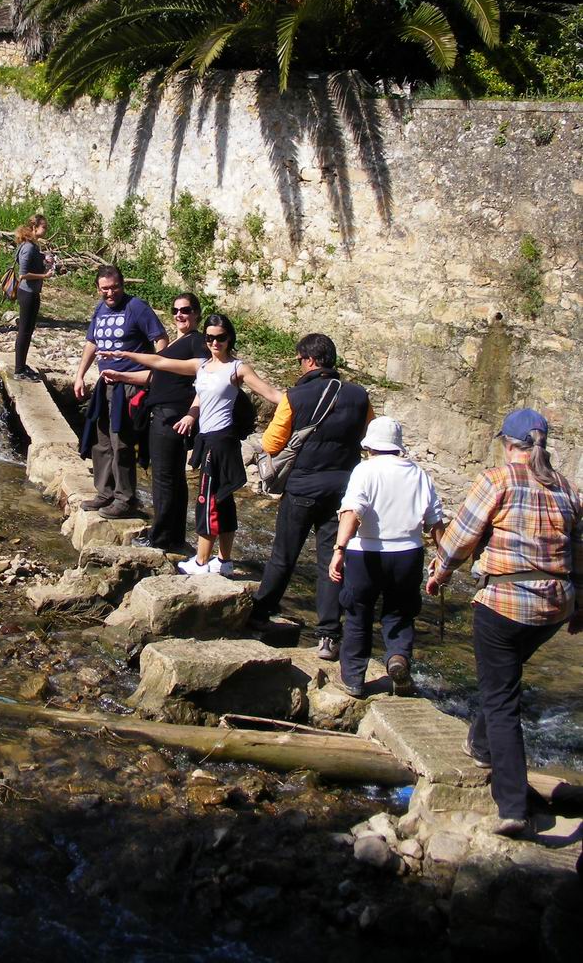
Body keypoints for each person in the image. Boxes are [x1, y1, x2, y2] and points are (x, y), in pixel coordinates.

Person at [426, 408, 583, 837]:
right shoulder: (568, 489)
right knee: (502, 680)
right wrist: (580, 606)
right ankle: (480, 744)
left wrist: (440, 572)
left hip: (505, 602)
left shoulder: (496, 480)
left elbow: (460, 539)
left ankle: (512, 806)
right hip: (554, 607)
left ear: (508, 444)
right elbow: (579, 553)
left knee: (501, 700)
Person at [101, 313, 281, 573]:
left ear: (230, 338)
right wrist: (124, 356)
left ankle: (201, 562)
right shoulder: (202, 366)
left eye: (220, 338)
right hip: (207, 438)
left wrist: (305, 403)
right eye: (209, 338)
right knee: (223, 501)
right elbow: (160, 362)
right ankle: (224, 561)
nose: (215, 343)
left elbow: (272, 394)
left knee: (208, 501)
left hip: (220, 441)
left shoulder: (238, 368)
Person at [250, 332, 373, 660]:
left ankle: (260, 614)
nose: (299, 366)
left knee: (283, 556)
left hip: (302, 488)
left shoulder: (295, 396)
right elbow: (368, 437)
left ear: (309, 360)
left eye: (300, 360)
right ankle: (328, 636)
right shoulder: (360, 396)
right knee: (331, 561)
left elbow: (271, 444)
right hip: (343, 491)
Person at [328, 417, 444, 697]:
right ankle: (398, 658)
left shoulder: (365, 470)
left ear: (369, 446)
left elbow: (352, 512)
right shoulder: (419, 474)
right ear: (397, 446)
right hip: (408, 554)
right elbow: (435, 521)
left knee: (358, 613)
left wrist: (339, 549)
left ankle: (353, 679)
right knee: (400, 613)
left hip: (365, 554)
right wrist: (443, 559)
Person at [102, 293, 207, 553]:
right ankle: (175, 537)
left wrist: (192, 414)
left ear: (197, 313)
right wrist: (122, 376)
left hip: (172, 414)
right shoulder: (179, 343)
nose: (180, 315)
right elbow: (156, 375)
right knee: (173, 477)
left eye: (186, 310)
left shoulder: (197, 341)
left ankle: (160, 539)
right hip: (164, 412)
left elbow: (204, 376)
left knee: (164, 478)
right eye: (175, 310)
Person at [74, 266, 168, 519]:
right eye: (105, 288)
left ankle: (125, 499)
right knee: (102, 440)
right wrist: (80, 375)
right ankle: (105, 492)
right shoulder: (100, 310)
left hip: (129, 385)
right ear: (98, 288)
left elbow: (160, 338)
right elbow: (92, 342)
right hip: (105, 383)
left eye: (114, 287)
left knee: (122, 442)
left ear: (122, 285)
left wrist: (159, 369)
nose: (110, 293)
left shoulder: (136, 307)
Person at [13, 214, 54, 381]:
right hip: (27, 293)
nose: (46, 230)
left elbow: (34, 263)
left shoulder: (33, 246)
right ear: (34, 228)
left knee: (28, 330)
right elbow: (23, 275)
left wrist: (45, 259)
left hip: (33, 293)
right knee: (24, 331)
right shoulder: (28, 247)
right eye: (43, 227)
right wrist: (44, 276)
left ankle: (22, 366)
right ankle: (18, 370)